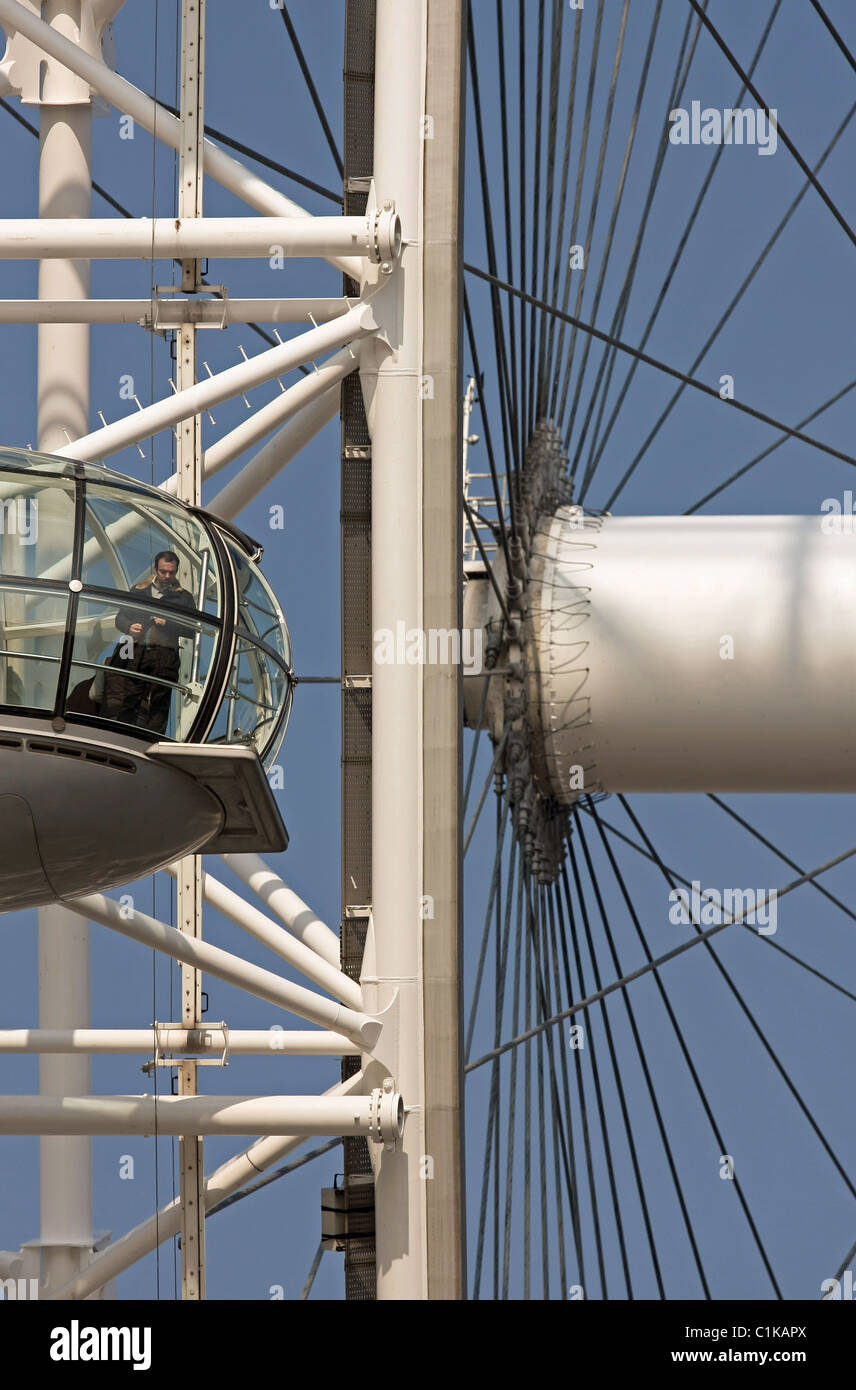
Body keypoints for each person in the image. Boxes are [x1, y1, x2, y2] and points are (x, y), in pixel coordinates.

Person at [100, 550, 196, 734]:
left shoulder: (184, 597)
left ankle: (152, 741)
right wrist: (129, 627)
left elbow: (191, 630)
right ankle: (119, 735)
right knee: (127, 698)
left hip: (164, 656)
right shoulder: (139, 590)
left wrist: (167, 623)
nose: (167, 576)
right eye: (163, 572)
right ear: (155, 569)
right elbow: (121, 618)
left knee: (159, 703)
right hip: (135, 652)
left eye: (171, 572)